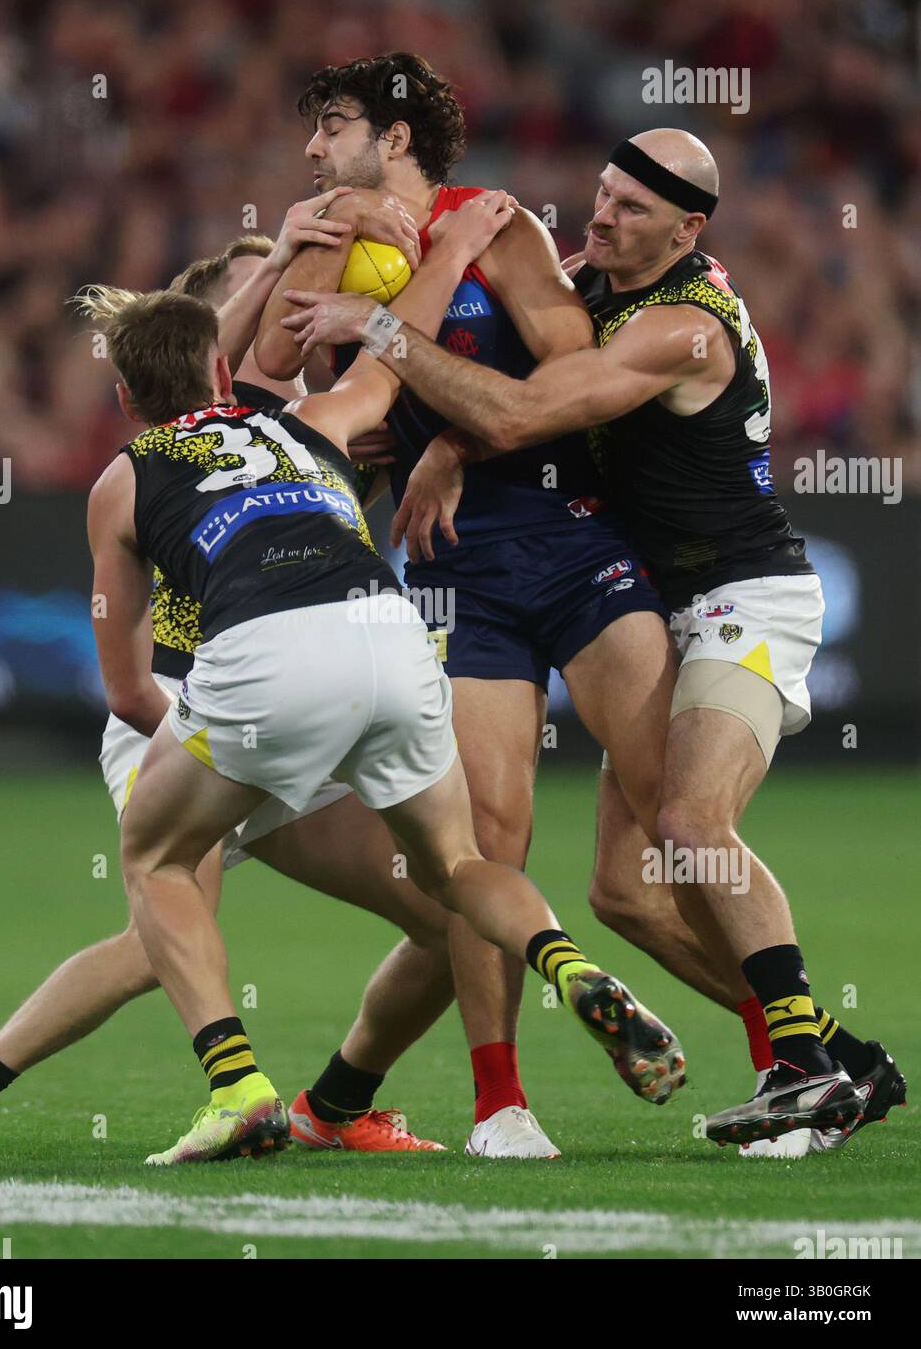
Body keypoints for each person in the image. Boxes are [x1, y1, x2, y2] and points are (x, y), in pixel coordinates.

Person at [280, 128, 905, 1151]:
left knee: (691, 825)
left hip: (741, 599)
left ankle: (796, 1064)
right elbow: (502, 384)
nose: (598, 219)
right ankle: (826, 1052)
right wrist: (442, 440)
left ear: (686, 230)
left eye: (627, 210)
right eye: (600, 196)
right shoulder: (593, 282)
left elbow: (525, 411)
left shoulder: (677, 325)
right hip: (665, 599)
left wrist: (379, 331)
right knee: (622, 892)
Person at [79, 188, 684, 1165]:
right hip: (390, 636)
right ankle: (564, 962)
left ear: (123, 401)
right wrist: (451, 250)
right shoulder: (307, 423)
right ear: (227, 370)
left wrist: (214, 769)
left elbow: (123, 689)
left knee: (153, 856)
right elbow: (387, 350)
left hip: (264, 664)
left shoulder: (126, 475)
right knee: (458, 869)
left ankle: (236, 1084)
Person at [0, 204, 454, 1161]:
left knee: (447, 922)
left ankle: (336, 1102)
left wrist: (442, 445)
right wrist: (277, 254)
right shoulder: (224, 409)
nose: (294, 301)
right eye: (270, 293)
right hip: (178, 710)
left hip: (285, 712)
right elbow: (211, 350)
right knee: (155, 944)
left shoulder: (298, 416)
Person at [255, 53, 681, 1159]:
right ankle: (498, 1105)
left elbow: (569, 365)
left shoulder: (499, 229)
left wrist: (448, 435)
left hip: (568, 534)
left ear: (394, 138)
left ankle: (793, 1044)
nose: (312, 149)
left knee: (673, 823)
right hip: (443, 572)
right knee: (483, 845)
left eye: (333, 124)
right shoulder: (322, 237)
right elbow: (283, 389)